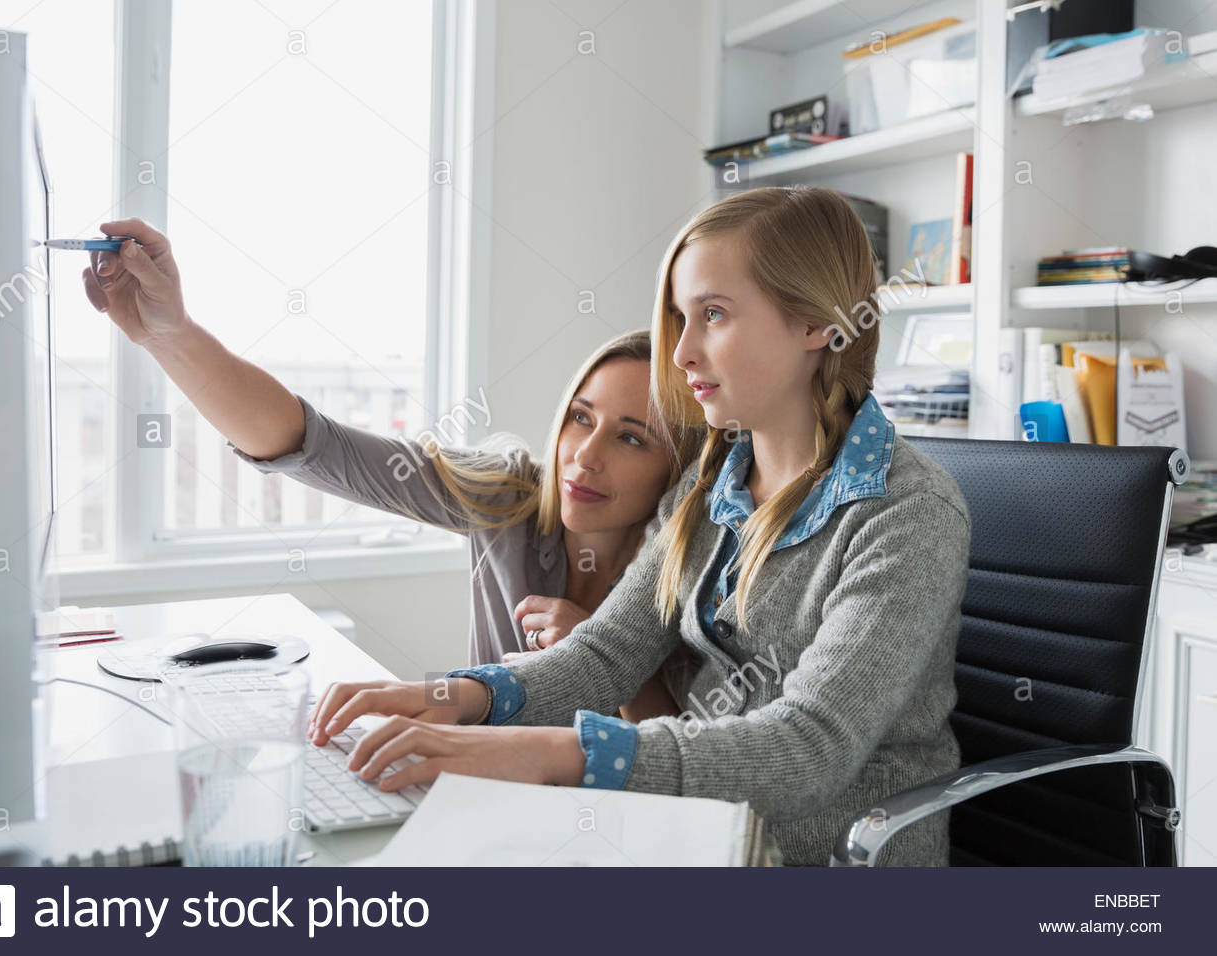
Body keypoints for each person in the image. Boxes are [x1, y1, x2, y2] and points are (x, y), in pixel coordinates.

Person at [306, 185, 973, 867]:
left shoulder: (907, 514)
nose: (681, 354)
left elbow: (807, 750)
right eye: (680, 317)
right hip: (688, 836)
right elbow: (606, 654)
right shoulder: (710, 486)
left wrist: (543, 753)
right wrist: (455, 696)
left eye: (712, 314)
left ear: (813, 323)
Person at [81, 220, 703, 721]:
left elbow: (700, 748)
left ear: (678, 469)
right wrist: (170, 334)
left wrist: (598, 653)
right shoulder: (511, 496)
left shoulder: (697, 564)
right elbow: (311, 444)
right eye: (580, 418)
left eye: (631, 438)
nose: (586, 456)